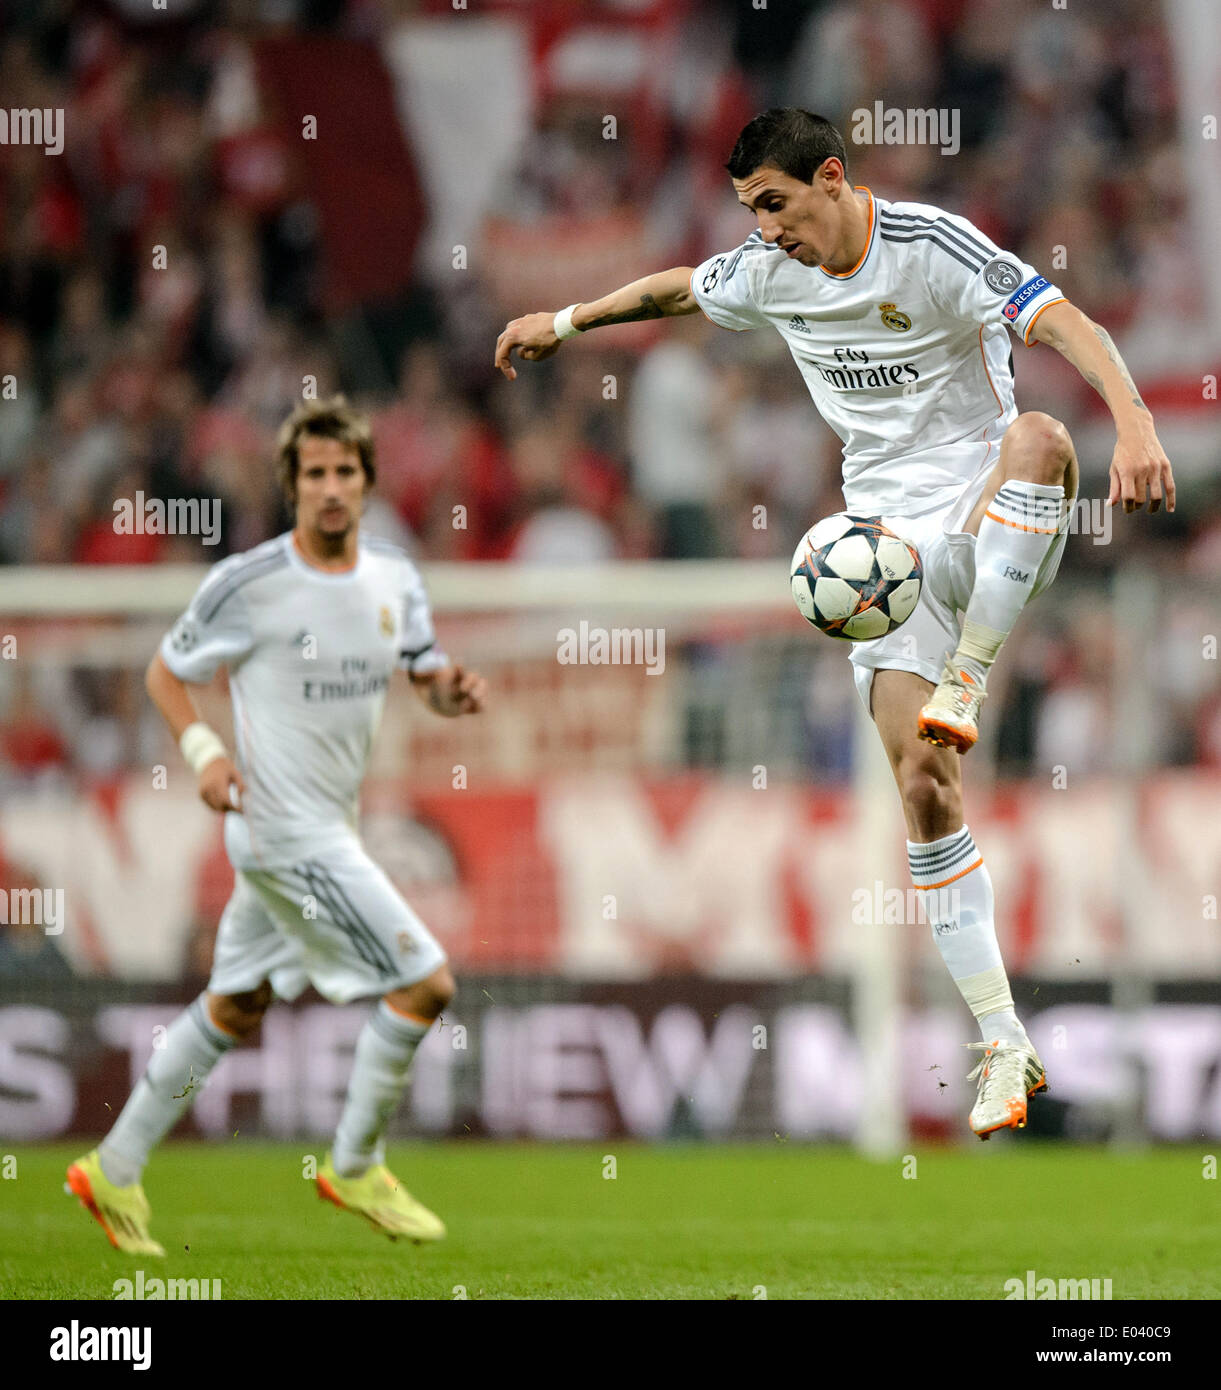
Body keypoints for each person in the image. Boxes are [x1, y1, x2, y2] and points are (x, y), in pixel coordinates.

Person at [493, 108, 1175, 1139]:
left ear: (831, 178)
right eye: (747, 212)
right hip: (880, 560)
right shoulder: (771, 269)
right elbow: (679, 286)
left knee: (1040, 435)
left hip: (985, 518)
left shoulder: (933, 247)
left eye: (774, 204)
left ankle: (971, 677)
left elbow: (1068, 322)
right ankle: (1004, 1038)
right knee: (921, 783)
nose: (763, 231)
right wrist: (569, 320)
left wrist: (1135, 424)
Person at [66, 395, 486, 1253]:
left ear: (367, 482)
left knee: (237, 1004)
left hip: (329, 825)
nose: (331, 488)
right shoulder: (247, 584)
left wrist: (450, 693)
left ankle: (113, 1166)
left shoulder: (395, 579)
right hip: (282, 829)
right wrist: (203, 754)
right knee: (426, 984)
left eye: (345, 472)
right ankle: (356, 1163)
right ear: (291, 487)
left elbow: (424, 672)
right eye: (314, 474)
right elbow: (164, 673)